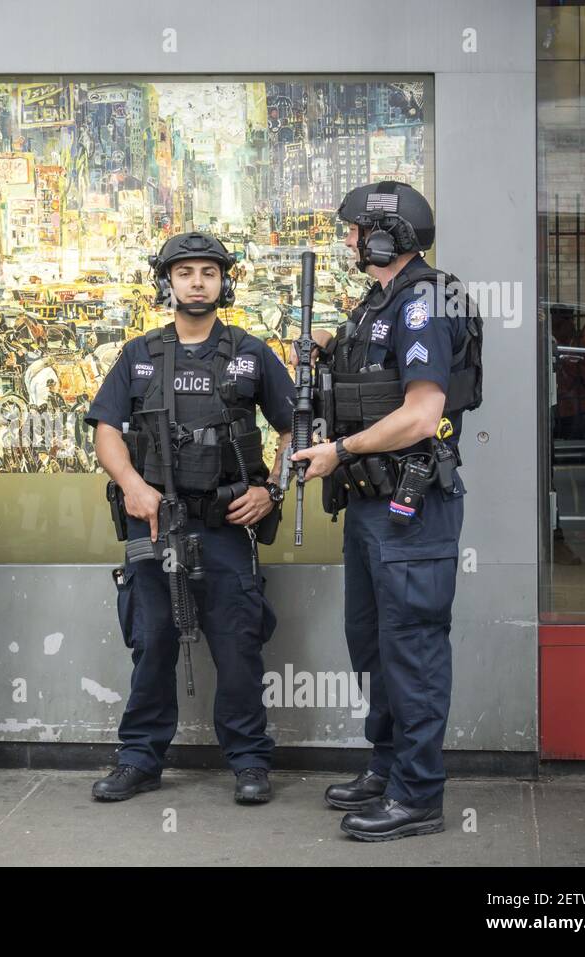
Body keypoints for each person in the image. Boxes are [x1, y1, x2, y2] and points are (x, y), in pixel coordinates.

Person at [292, 181, 482, 841]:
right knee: (371, 643)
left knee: (413, 650)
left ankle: (418, 795)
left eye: (353, 230)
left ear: (384, 236)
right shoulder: (383, 301)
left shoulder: (426, 300)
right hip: (373, 505)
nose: (346, 240)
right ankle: (387, 765)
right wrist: (327, 347)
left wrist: (339, 448)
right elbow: (373, 376)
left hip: (411, 505)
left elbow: (423, 412)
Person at [85, 231, 293, 805]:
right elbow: (106, 429)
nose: (197, 281)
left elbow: (293, 425)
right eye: (185, 272)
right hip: (154, 525)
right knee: (151, 640)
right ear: (167, 282)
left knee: (238, 645)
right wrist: (131, 485)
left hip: (227, 524)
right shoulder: (139, 355)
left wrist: (271, 490)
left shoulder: (250, 352)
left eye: (209, 271)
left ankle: (249, 762)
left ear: (224, 281)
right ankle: (139, 760)